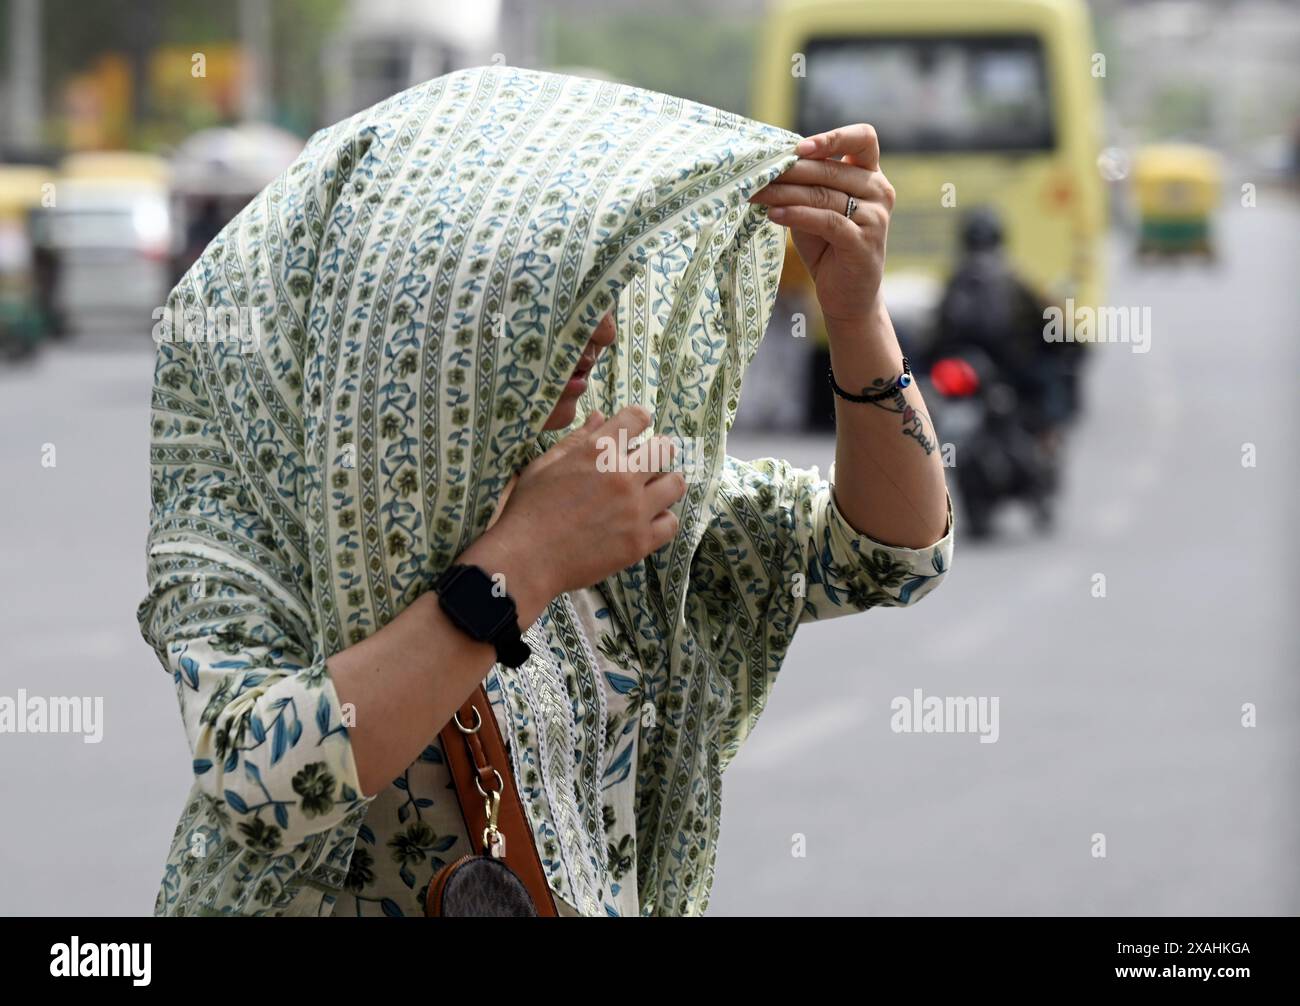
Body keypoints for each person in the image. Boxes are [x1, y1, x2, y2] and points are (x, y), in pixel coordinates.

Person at [138, 65, 953, 917]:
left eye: (596, 288)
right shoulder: (274, 494)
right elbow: (260, 783)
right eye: (542, 297)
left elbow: (888, 559)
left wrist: (857, 315)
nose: (596, 334)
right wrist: (522, 560)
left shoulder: (600, 482)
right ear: (428, 302)